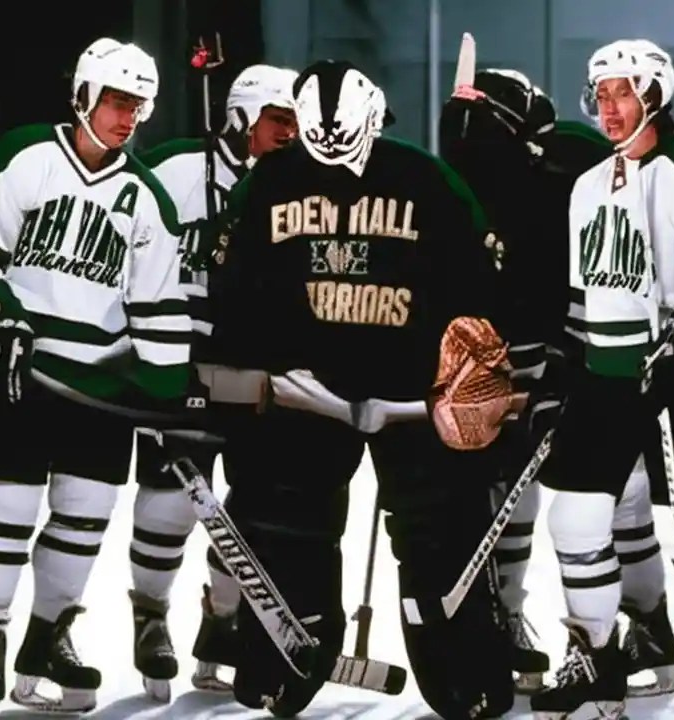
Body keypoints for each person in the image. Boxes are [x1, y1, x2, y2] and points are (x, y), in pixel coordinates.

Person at [206, 58, 520, 719]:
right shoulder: (270, 181)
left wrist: (474, 371)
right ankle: (282, 653)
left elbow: (479, 282)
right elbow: (236, 289)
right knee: (288, 523)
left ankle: (463, 661)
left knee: (439, 530)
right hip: (303, 391)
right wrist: (238, 378)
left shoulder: (425, 178)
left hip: (411, 392)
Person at [0, 38, 191, 716]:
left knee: (84, 517)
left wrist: (174, 394)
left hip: (100, 386)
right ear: (83, 95)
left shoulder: (146, 198)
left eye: (137, 106)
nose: (126, 117)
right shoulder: (23, 156)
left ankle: (46, 638)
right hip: (16, 369)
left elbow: (155, 304)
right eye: (115, 101)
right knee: (9, 508)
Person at [530, 39, 674, 720]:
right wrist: (559, 372)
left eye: (621, 93)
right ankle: (599, 655)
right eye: (599, 94)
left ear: (654, 97)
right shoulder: (585, 187)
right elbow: (582, 302)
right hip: (605, 382)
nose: (607, 107)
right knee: (575, 518)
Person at [437, 66, 612, 695]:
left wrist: (571, 347)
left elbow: (590, 264)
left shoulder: (568, 171)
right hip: (470, 348)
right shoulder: (451, 175)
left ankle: (509, 610)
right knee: (477, 485)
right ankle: (489, 617)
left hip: (542, 346)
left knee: (523, 484)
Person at [130, 62, 297, 696]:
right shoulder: (171, 170)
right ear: (240, 117)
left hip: (260, 365)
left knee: (252, 509)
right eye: (279, 120)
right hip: (182, 357)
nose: (291, 133)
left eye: (297, 123)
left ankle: (222, 624)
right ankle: (149, 618)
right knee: (172, 498)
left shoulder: (296, 184)